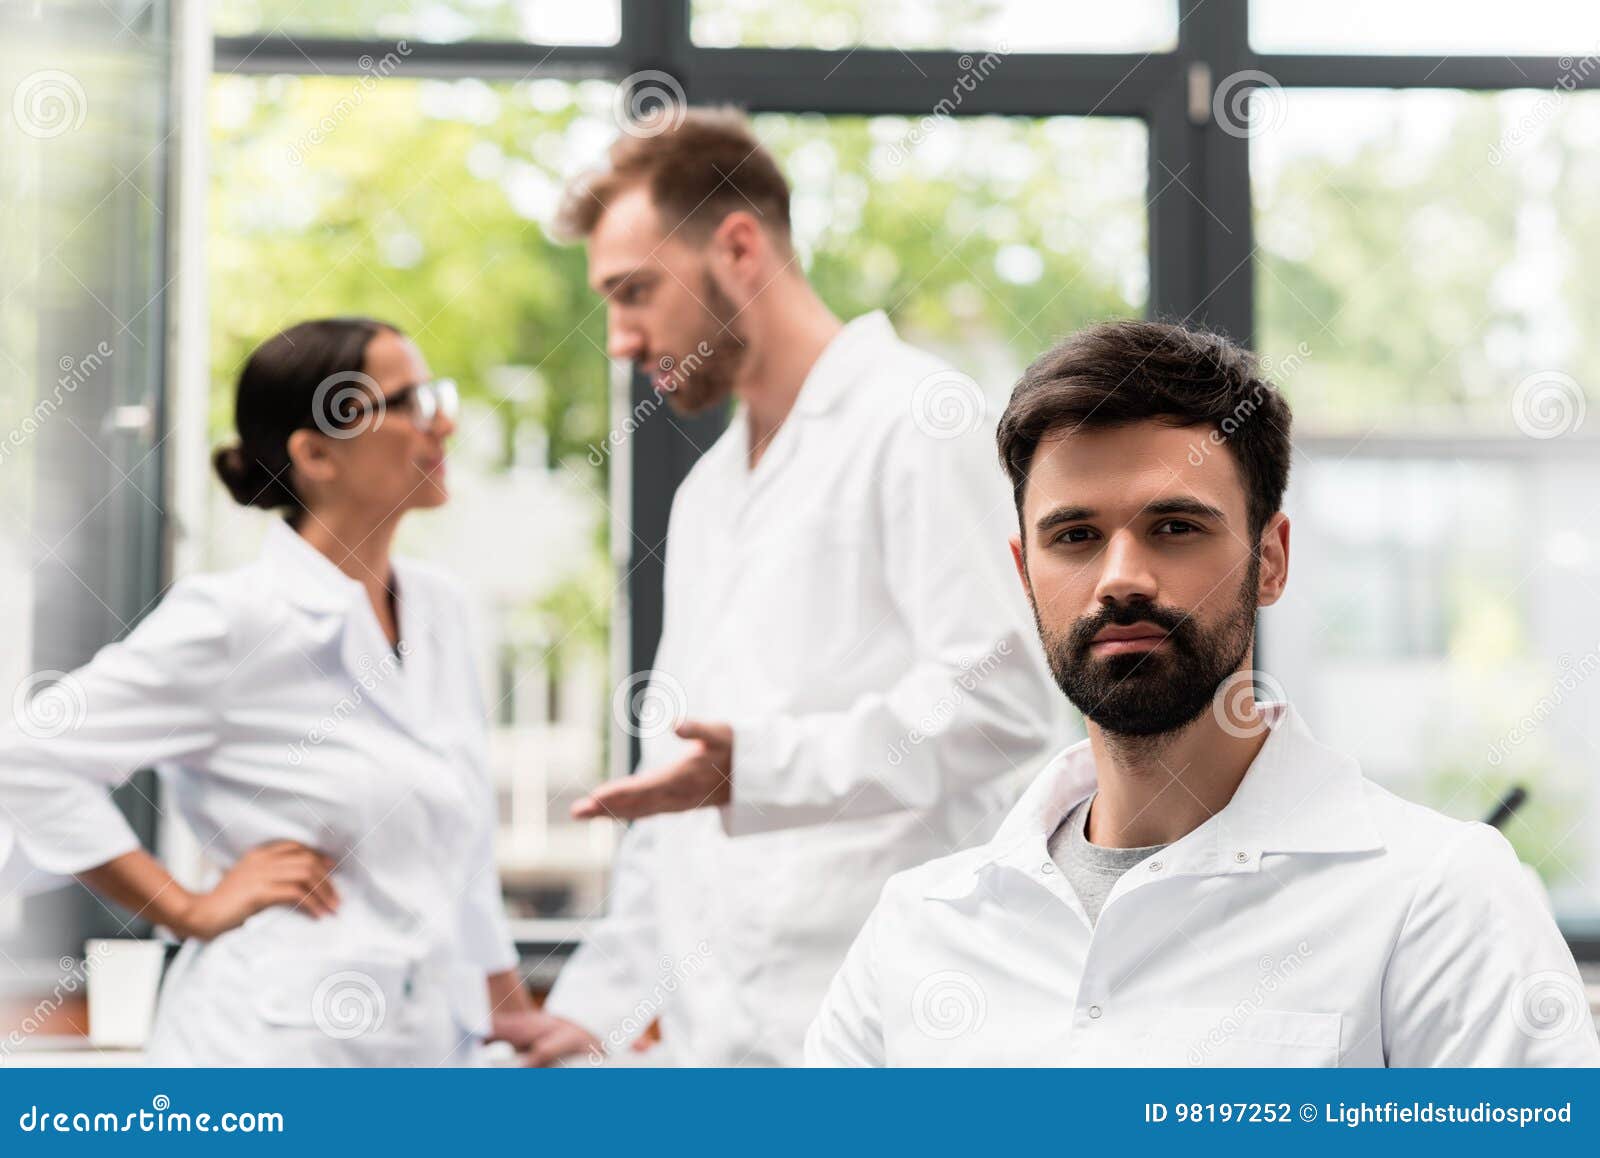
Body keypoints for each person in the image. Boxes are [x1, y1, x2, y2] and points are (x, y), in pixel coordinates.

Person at [806, 319, 1600, 1067]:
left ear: (1272, 558)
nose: (1120, 579)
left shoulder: (1441, 899)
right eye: (1075, 536)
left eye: (1175, 527)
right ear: (1024, 574)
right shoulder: (916, 931)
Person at [494, 109, 1059, 1066]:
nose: (622, 339)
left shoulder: (917, 420)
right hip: (728, 1049)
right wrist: (603, 1007)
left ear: (741, 246)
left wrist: (759, 769)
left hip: (896, 1032)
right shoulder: (711, 491)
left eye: (635, 293)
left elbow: (1002, 698)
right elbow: (676, 793)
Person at [0, 317, 538, 1065]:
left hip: (421, 1048)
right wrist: (187, 908)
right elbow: (29, 757)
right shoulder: (235, 620)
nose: (442, 420)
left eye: (434, 393)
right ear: (315, 452)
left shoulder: (439, 608)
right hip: (267, 1053)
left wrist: (508, 1011)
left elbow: (465, 849)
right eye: (407, 401)